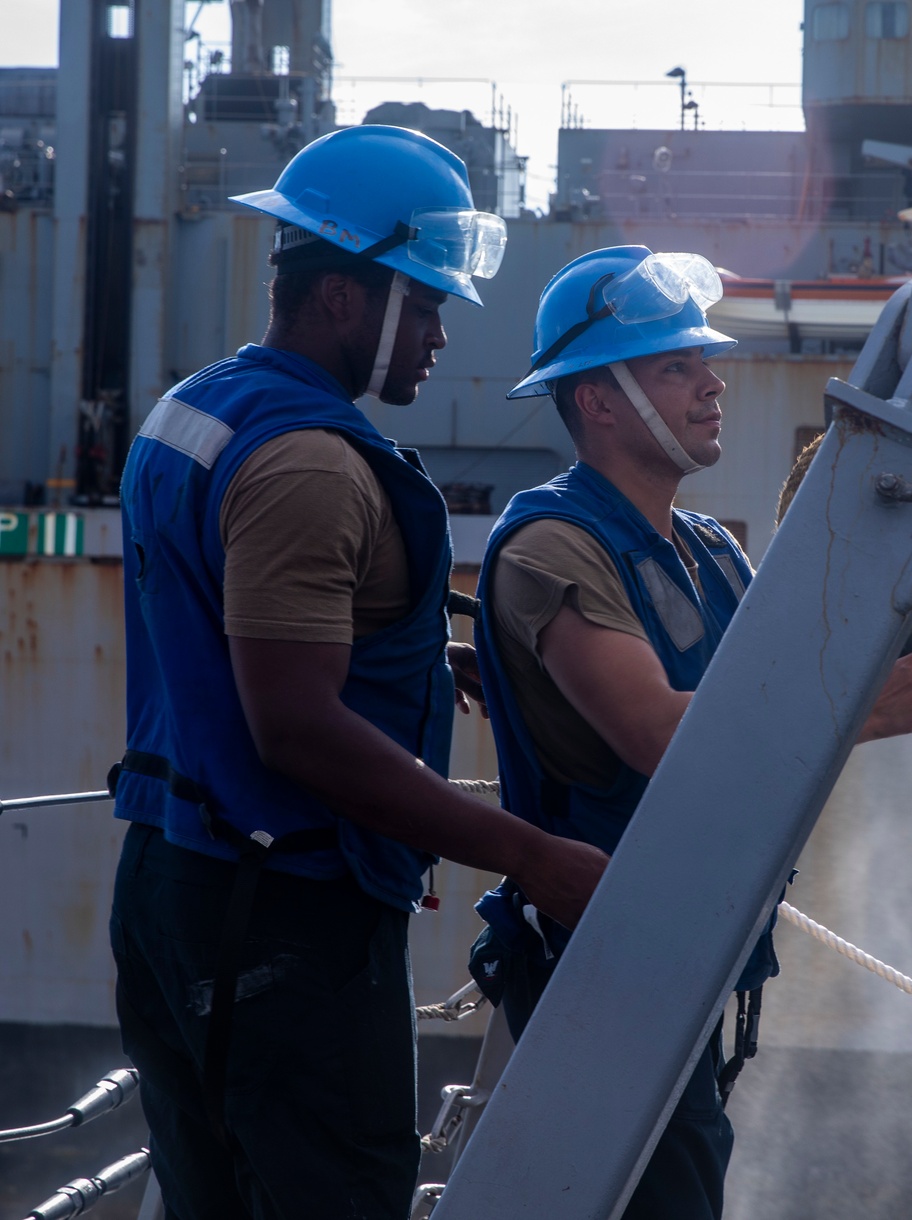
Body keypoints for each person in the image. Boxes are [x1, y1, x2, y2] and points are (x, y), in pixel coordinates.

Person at [107, 125, 606, 1220]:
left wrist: (424, 664)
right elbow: (294, 726)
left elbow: (220, 619)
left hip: (167, 882)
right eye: (422, 306)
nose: (436, 336)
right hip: (278, 919)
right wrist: (532, 855)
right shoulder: (311, 466)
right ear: (342, 297)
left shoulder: (196, 408)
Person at [469, 245, 912, 1220]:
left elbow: (775, 690)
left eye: (704, 360)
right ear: (598, 403)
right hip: (606, 967)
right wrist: (871, 707)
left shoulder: (707, 548)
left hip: (691, 954)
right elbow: (660, 734)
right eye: (673, 367)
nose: (711, 382)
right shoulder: (550, 548)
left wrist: (894, 606)